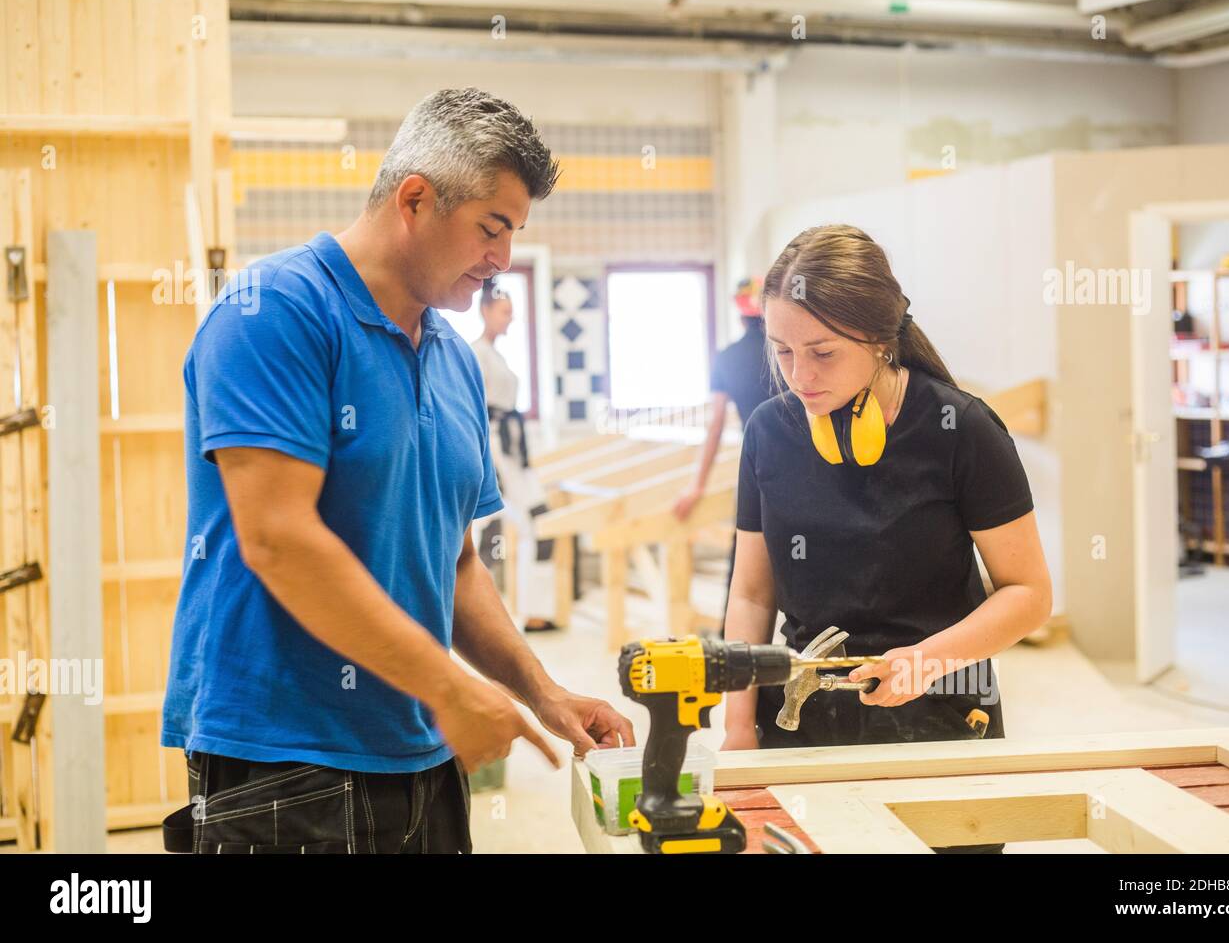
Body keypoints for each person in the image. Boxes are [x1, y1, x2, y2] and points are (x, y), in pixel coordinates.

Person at [161, 88, 633, 854]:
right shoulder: (274, 311)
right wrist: (451, 688)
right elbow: (277, 538)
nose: (502, 259)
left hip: (420, 751)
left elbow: (452, 561)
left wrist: (543, 694)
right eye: (492, 227)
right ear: (415, 199)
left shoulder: (452, 359)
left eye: (514, 233)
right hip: (286, 762)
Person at [720, 224, 1052, 854]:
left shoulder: (962, 428)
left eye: (822, 352)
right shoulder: (769, 432)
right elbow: (751, 595)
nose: (798, 376)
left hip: (944, 715)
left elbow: (1029, 594)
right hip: (802, 717)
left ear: (878, 339)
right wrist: (739, 728)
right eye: (782, 351)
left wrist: (926, 660)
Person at [672, 277, 783, 625]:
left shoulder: (726, 357)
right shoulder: (784, 350)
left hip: (757, 467)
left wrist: (696, 485)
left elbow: (715, 426)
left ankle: (731, 649)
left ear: (739, 315)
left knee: (744, 568)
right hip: (804, 459)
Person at [470, 281, 556, 633]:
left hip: (514, 453)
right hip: (493, 451)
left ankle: (536, 611)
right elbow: (476, 412)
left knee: (542, 523)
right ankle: (481, 617)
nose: (510, 319)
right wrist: (489, 464)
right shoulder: (475, 353)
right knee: (491, 530)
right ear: (486, 312)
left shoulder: (499, 356)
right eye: (505, 312)